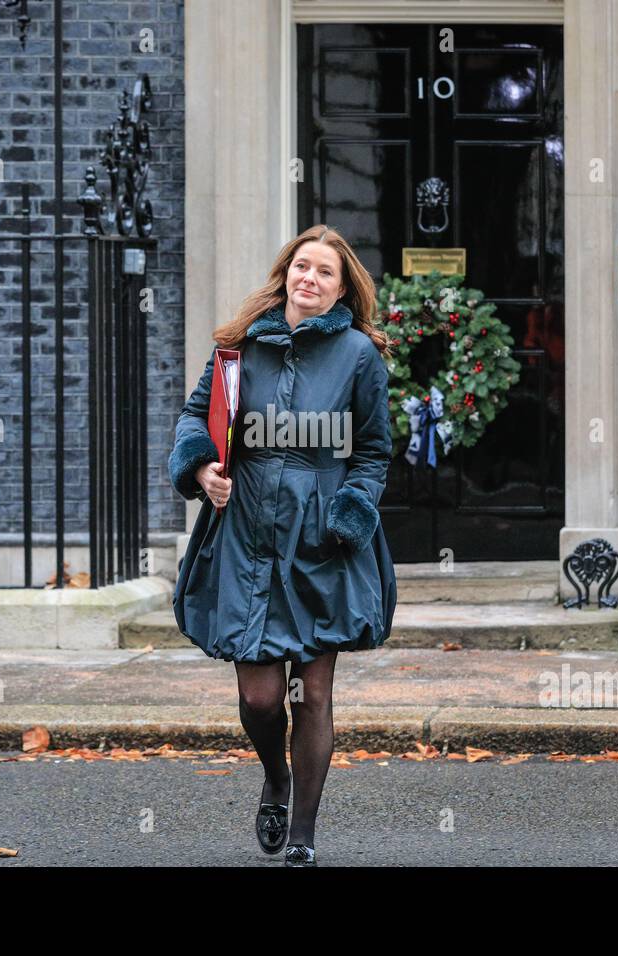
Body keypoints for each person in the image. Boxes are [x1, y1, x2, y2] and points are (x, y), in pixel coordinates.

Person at [167, 224, 397, 866]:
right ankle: (275, 774)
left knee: (313, 694)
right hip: (245, 534)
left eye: (326, 272)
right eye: (303, 266)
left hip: (323, 540)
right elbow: (195, 417)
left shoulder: (357, 355)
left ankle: (303, 835)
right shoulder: (239, 347)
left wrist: (348, 516)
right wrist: (201, 469)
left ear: (341, 287)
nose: (311, 279)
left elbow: (374, 451)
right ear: (286, 273)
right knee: (261, 697)